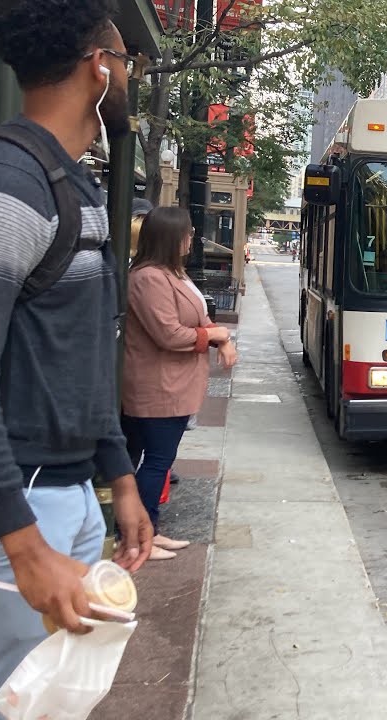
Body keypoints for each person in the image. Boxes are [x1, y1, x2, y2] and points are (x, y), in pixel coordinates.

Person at [0, 0, 154, 692]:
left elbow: (85, 351)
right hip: (23, 506)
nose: (128, 77)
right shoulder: (14, 186)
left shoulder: (74, 183)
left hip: (69, 493)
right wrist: (24, 545)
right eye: (125, 61)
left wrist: (120, 479)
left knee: (46, 698)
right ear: (99, 68)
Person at [122, 208, 237, 560]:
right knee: (155, 461)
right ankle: (141, 537)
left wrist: (221, 337)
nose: (191, 239)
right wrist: (214, 334)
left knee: (152, 459)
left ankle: (147, 532)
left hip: (172, 383)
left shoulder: (171, 274)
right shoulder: (148, 278)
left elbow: (200, 318)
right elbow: (169, 334)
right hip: (157, 385)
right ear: (170, 238)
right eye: (187, 233)